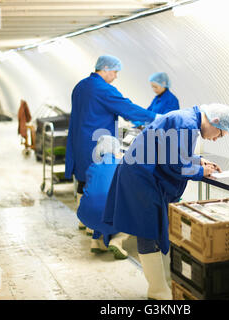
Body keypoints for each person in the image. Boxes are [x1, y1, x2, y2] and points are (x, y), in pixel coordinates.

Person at [103, 103, 229, 300]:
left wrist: (199, 161)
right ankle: (157, 290)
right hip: (141, 176)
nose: (216, 139)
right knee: (148, 231)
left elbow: (173, 152)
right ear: (215, 121)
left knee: (156, 231)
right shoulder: (187, 124)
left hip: (142, 173)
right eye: (220, 134)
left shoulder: (187, 120)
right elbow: (175, 164)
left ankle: (163, 283)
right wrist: (201, 171)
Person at [64, 55, 158, 233]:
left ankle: (83, 219)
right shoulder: (104, 89)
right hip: (98, 144)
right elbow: (127, 108)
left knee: (84, 179)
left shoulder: (80, 86)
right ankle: (95, 226)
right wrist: (155, 118)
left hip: (79, 141)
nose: (116, 76)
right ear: (105, 68)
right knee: (101, 182)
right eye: (115, 72)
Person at [76, 135, 130, 259]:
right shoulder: (122, 166)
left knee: (100, 206)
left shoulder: (92, 166)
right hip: (106, 214)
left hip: (85, 216)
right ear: (117, 150)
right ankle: (117, 241)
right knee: (133, 213)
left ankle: (97, 241)